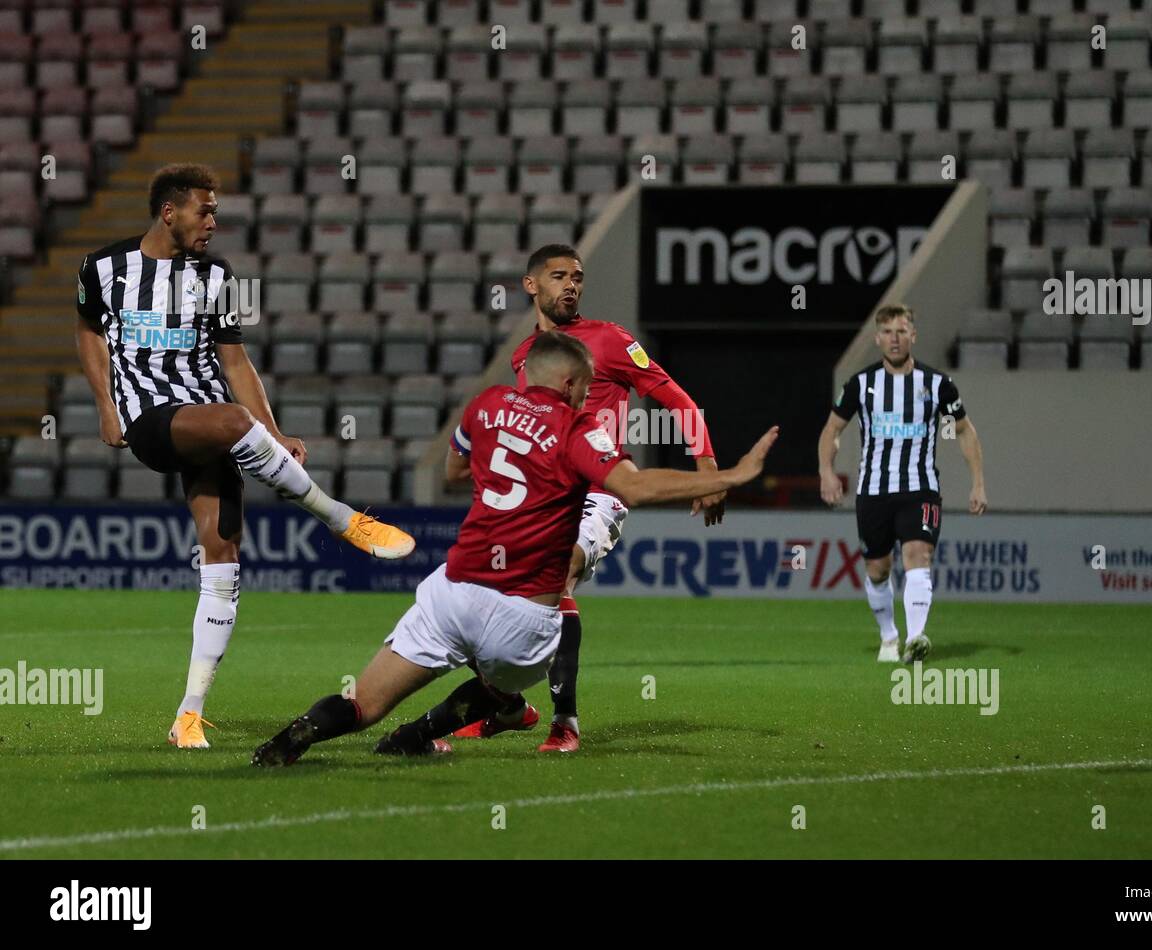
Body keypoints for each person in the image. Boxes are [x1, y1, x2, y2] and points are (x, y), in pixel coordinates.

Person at [252, 331, 777, 766]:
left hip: (452, 592)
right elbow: (633, 488)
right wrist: (733, 474)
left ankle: (287, 742)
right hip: (521, 616)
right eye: (586, 388)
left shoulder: (486, 405)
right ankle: (432, 732)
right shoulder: (579, 429)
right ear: (570, 383)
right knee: (501, 690)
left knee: (362, 703)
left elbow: (454, 471)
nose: (585, 397)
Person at [74, 163, 414, 750]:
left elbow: (234, 362)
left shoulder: (216, 275)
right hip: (151, 419)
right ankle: (340, 518)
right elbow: (87, 331)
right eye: (204, 211)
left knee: (223, 556)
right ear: (169, 212)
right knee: (236, 421)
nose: (213, 222)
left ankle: (188, 713)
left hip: (209, 425)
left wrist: (275, 434)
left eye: (215, 212)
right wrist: (105, 403)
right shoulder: (103, 268)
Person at [455, 244, 723, 753]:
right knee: (473, 592)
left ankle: (566, 723)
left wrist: (706, 466)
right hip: (541, 499)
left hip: (601, 491)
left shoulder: (611, 340)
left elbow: (676, 399)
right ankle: (511, 709)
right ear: (531, 285)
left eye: (577, 277)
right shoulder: (525, 358)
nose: (571, 285)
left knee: (560, 574)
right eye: (558, 276)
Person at [817, 304, 987, 663]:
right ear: (877, 338)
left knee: (918, 554)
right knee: (877, 569)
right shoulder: (860, 385)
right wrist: (826, 471)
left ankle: (916, 637)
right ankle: (889, 637)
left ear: (914, 335)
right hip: (873, 492)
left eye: (901, 330)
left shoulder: (938, 384)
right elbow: (832, 430)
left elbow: (964, 430)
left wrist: (978, 483)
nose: (895, 339)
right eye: (888, 332)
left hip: (920, 487)